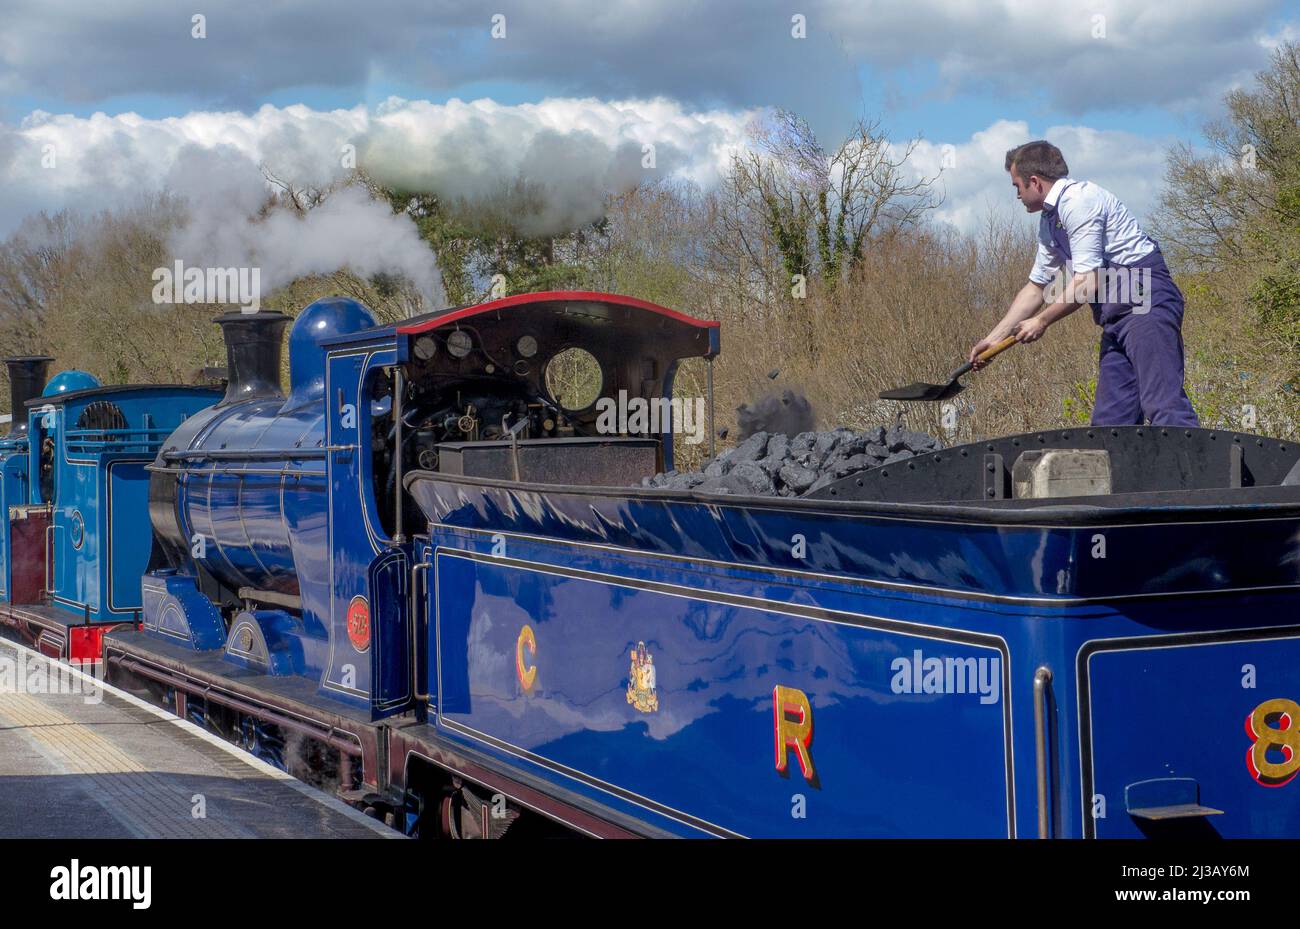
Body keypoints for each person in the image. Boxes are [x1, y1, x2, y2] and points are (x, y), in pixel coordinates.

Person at [969, 140, 1198, 427]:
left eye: (1017, 186)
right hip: (1116, 318)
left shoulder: (1079, 202)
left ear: (1035, 182)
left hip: (1144, 303)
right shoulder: (1050, 221)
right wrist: (994, 339)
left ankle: (1198, 471)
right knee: (1110, 423)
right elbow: (1036, 288)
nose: (1016, 195)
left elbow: (1086, 282)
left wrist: (1041, 321)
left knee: (1164, 406)